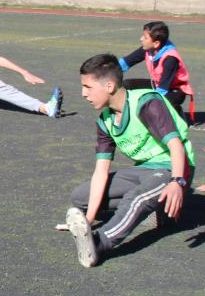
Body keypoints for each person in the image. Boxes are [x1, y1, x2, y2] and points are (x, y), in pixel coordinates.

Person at [65, 54, 195, 268]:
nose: (83, 94)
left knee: (136, 198)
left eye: (87, 87)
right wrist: (88, 220)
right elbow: (100, 173)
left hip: (173, 167)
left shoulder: (147, 103)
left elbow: (176, 146)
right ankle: (154, 212)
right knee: (80, 197)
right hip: (145, 171)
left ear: (109, 85)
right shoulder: (105, 121)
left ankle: (98, 244)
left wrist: (177, 181)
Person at [119, 21, 194, 120]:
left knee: (149, 107)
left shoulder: (170, 59)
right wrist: (105, 71)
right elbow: (126, 62)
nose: (141, 39)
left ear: (156, 43)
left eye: (145, 38)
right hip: (158, 85)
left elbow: (162, 90)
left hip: (174, 91)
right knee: (126, 85)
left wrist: (145, 101)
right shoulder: (148, 49)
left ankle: (176, 113)